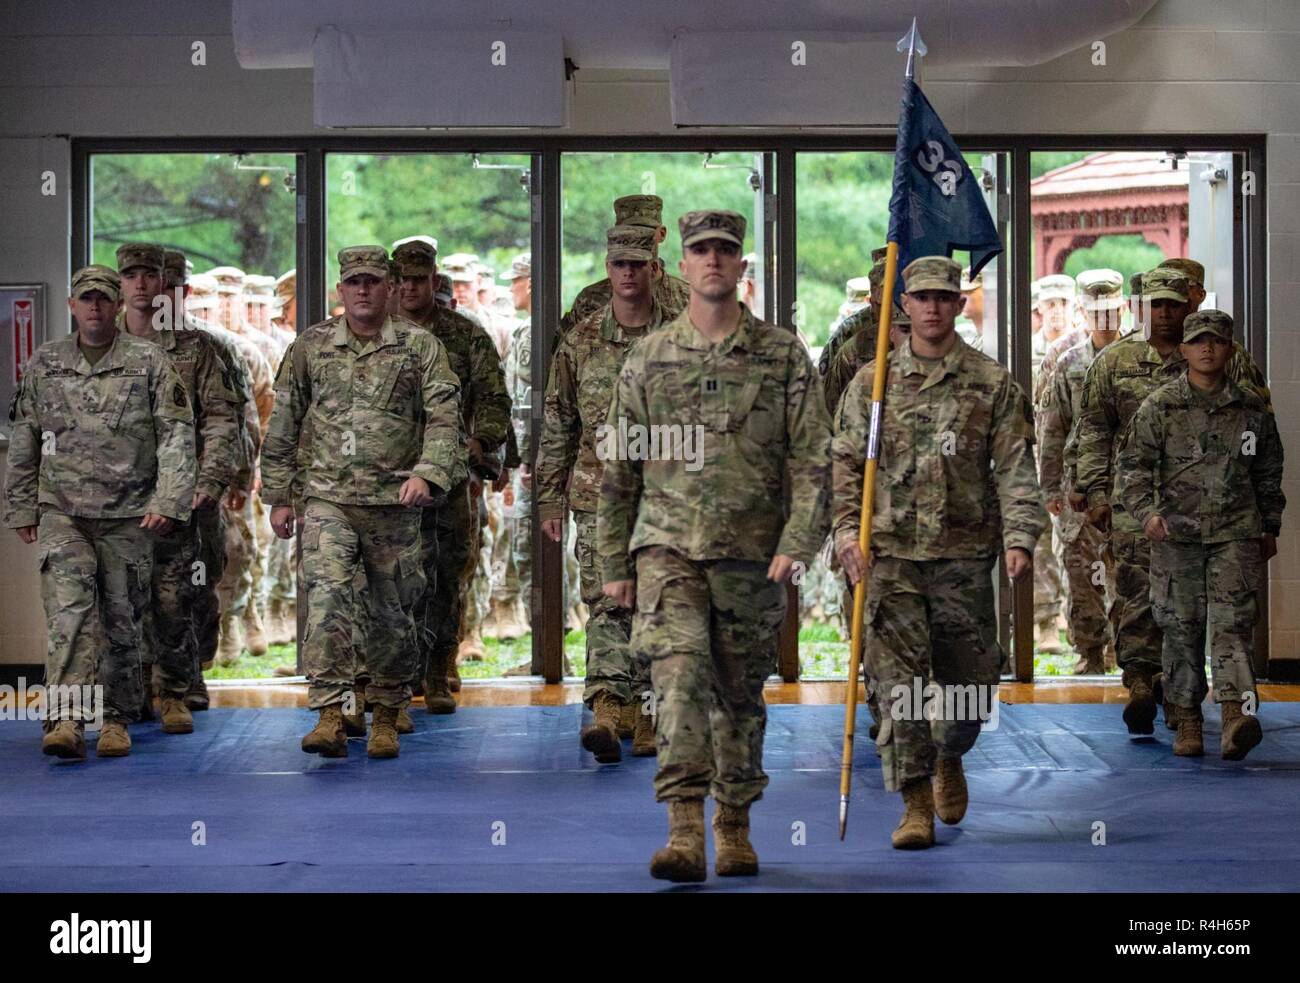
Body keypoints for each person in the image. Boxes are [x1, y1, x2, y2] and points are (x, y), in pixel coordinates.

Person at [599, 209, 830, 881]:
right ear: (685, 263)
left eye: (725, 250)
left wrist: (798, 540)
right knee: (675, 684)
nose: (713, 261)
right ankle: (683, 829)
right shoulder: (649, 356)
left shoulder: (782, 355)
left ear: (740, 265)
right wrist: (614, 563)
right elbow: (619, 470)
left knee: (738, 695)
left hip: (750, 554)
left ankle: (734, 823)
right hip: (667, 551)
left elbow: (814, 457)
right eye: (701, 249)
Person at [832, 256, 1043, 850]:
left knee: (966, 687)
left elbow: (1015, 470)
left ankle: (951, 752)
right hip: (890, 558)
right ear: (904, 304)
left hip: (963, 558)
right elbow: (845, 468)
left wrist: (1020, 537)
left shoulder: (991, 383)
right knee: (897, 688)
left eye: (942, 298)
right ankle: (915, 801)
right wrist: (847, 534)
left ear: (958, 304)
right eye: (920, 297)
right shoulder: (870, 386)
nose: (930, 307)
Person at [261, 246, 466, 759]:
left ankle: (387, 709)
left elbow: (445, 417)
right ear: (340, 290)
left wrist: (428, 472)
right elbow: (283, 422)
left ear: (391, 288)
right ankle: (331, 711)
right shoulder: (312, 346)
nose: (363, 290)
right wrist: (280, 495)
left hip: (396, 502)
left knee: (393, 611)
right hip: (329, 499)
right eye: (353, 282)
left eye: (373, 281)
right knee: (328, 598)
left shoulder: (421, 347)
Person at [4, 265, 195, 759]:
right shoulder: (45, 363)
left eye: (103, 299)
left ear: (116, 306)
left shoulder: (149, 361)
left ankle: (116, 718)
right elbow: (23, 437)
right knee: (68, 617)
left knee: (122, 617)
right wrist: (21, 503)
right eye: (85, 299)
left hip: (129, 514)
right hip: (63, 511)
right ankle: (66, 718)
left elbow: (176, 436)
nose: (94, 307)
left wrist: (168, 501)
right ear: (72, 305)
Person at [1071, 267, 1270, 734]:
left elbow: (1257, 420)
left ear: (1189, 306)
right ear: (1141, 308)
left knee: (1201, 609)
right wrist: (1095, 492)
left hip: (1214, 504)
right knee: (1139, 595)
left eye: (1173, 305)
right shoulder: (1115, 361)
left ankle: (1198, 701)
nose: (1163, 314)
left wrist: (1260, 508)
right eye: (1155, 305)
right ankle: (1141, 681)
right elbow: (1094, 430)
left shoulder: (1222, 355)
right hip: (1135, 504)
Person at [1117, 310, 1283, 759]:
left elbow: (1268, 471)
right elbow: (1131, 468)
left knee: (1233, 626)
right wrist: (1146, 514)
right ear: (1185, 349)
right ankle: (1187, 718)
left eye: (1217, 341)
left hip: (1236, 533)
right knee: (1180, 628)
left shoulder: (1250, 409)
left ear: (1230, 349)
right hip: (1177, 535)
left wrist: (1270, 525)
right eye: (1199, 341)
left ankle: (1234, 716)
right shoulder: (1160, 406)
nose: (1207, 348)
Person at [537, 225, 668, 763]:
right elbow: (558, 422)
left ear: (656, 269)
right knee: (609, 602)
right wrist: (549, 498)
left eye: (639, 264)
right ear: (608, 270)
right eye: (620, 265)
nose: (630, 273)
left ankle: (653, 712)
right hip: (600, 495)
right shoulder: (582, 342)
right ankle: (609, 708)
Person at [116, 243, 244, 731]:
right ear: (121, 283)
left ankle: (183, 679)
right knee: (129, 596)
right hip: (121, 501)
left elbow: (221, 419)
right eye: (133, 275)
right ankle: (144, 685)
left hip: (189, 499)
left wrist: (211, 482)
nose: (144, 284)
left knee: (188, 593)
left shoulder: (196, 349)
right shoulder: (104, 345)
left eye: (153, 276)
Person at [391, 235, 511, 714]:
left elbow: (493, 399)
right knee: (392, 580)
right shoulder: (373, 335)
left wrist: (480, 445)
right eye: (401, 281)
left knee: (446, 576)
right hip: (388, 479)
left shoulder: (465, 335)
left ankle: (439, 670)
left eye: (419, 281)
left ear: (433, 281)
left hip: (452, 480)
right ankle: (396, 674)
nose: (410, 290)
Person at [162, 250, 261, 707]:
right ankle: (154, 678)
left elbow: (240, 417)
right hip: (132, 492)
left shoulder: (214, 345)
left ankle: (195, 667)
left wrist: (239, 476)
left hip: (200, 489)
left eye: (173, 284)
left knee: (200, 581)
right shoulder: (119, 344)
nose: (161, 292)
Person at [1038, 269, 1124, 674]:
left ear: (1122, 310)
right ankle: (1090, 651)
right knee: (1081, 573)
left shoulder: (1140, 360)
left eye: (1110, 311)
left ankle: (1126, 651)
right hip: (1080, 488)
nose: (1104, 319)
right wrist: (1049, 486)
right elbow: (1053, 427)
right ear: (1083, 313)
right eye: (1096, 312)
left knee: (1126, 574)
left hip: (1129, 487)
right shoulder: (1069, 361)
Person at [560, 194, 690, 337]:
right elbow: (565, 352)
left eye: (645, 230)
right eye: (628, 230)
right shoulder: (590, 299)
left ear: (662, 233)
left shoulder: (686, 297)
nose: (636, 236)